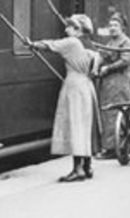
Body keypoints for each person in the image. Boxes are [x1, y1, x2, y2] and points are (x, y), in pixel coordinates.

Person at [28, 14, 99, 182]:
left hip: (74, 86)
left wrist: (33, 44)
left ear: (77, 30)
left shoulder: (73, 42)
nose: (66, 29)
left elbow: (52, 45)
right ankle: (87, 166)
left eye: (69, 26)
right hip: (87, 86)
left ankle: (77, 169)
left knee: (75, 125)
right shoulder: (91, 46)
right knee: (84, 126)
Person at [96, 12, 130, 158]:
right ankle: (109, 146)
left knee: (116, 114)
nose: (112, 28)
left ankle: (115, 148)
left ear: (122, 27)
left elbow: (126, 60)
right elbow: (103, 54)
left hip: (120, 82)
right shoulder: (111, 42)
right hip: (108, 83)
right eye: (110, 25)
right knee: (107, 113)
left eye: (115, 25)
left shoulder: (126, 42)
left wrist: (108, 68)